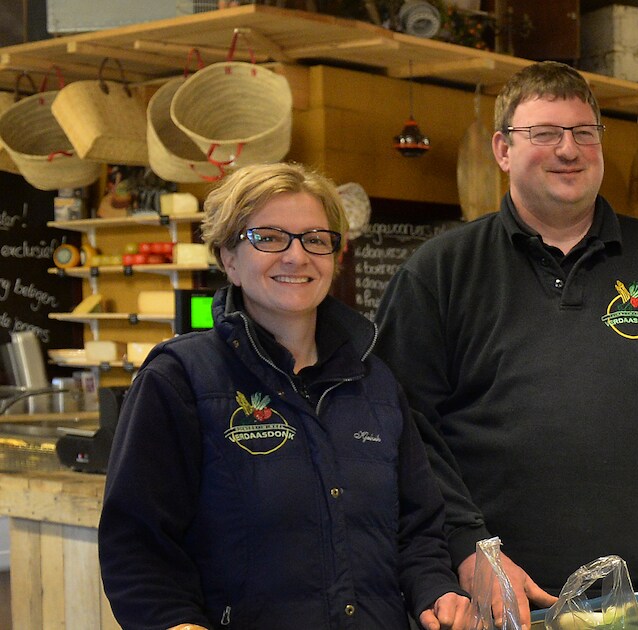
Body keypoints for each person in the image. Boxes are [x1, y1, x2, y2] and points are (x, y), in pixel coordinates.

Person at [374, 61, 638, 621]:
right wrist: (466, 546)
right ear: (503, 149)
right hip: (481, 601)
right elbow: (402, 428)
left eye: (584, 133)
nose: (568, 149)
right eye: (544, 133)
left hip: (622, 599)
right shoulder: (440, 272)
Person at [98, 163, 473, 630]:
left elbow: (418, 531)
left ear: (335, 256)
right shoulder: (179, 379)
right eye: (270, 238)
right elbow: (136, 546)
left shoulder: (375, 382)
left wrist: (435, 590)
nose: (297, 256)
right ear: (229, 259)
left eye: (316, 239)